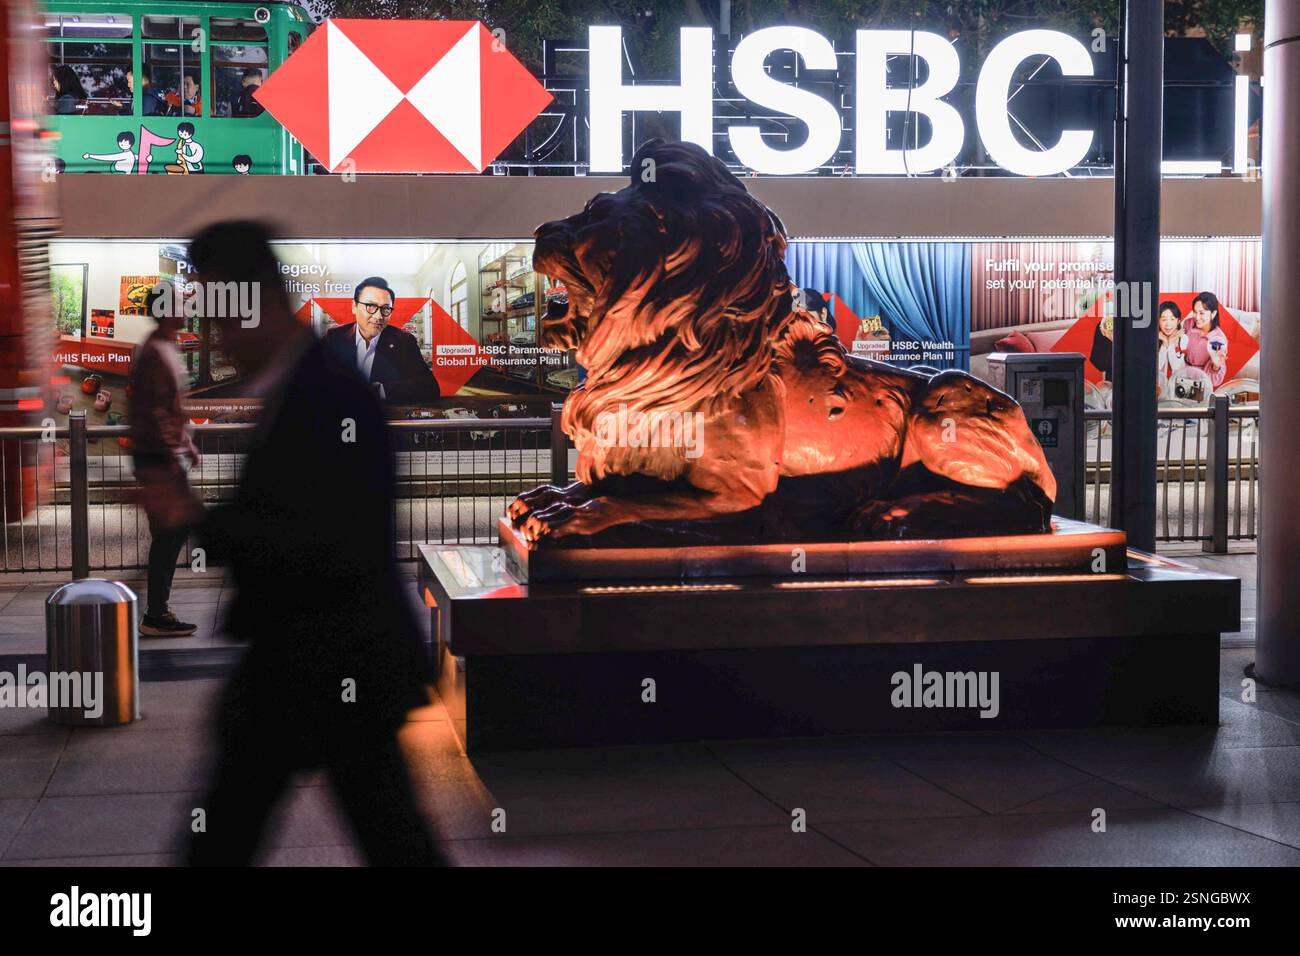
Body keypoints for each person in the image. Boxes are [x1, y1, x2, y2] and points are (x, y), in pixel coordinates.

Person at [184, 221, 444, 866]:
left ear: (258, 301)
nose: (219, 338)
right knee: (385, 835)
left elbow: (312, 536)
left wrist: (194, 521)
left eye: (223, 315)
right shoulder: (310, 376)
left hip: (324, 662)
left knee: (234, 835)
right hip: (317, 665)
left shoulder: (326, 392)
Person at [128, 283, 201, 637]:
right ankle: (155, 612)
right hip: (158, 459)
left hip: (163, 457)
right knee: (172, 530)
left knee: (171, 532)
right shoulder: (156, 350)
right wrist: (175, 452)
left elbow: (171, 407)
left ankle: (155, 609)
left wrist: (187, 445)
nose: (186, 308)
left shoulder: (163, 347)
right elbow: (157, 410)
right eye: (179, 303)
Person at [323, 277, 440, 404]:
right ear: (354, 306)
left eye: (385, 309)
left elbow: (429, 388)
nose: (379, 316)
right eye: (371, 306)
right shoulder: (334, 337)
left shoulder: (404, 341)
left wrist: (380, 390)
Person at [1182, 291, 1229, 389]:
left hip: (1202, 383)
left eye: (1202, 313)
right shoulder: (1188, 324)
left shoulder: (1218, 339)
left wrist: (1216, 367)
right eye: (1195, 312)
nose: (1197, 317)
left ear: (1213, 313)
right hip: (1182, 376)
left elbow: (1214, 380)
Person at [1156, 300, 1186, 399]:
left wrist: (1171, 342)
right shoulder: (1155, 339)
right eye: (1164, 319)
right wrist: (1165, 344)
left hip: (1178, 390)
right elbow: (1158, 367)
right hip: (1159, 389)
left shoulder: (1184, 338)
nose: (1168, 324)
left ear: (1178, 321)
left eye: (1172, 319)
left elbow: (1175, 367)